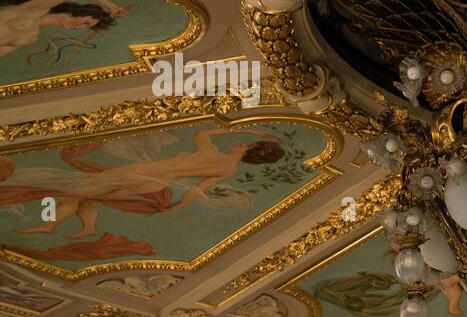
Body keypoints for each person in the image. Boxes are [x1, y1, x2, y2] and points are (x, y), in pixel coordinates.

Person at [0, 128, 283, 239]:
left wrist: (243, 128)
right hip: (152, 185)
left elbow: (203, 131)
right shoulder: (228, 170)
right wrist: (175, 207)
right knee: (90, 197)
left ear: (250, 147)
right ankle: (89, 227)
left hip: (140, 172)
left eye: (246, 142)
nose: (238, 141)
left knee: (73, 192)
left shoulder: (212, 152)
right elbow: (198, 190)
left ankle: (50, 224)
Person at [0, 0, 126, 60]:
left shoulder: (31, 37)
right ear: (78, 12)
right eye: (86, 22)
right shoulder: (36, 10)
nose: (81, 27)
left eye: (86, 27)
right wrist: (112, 7)